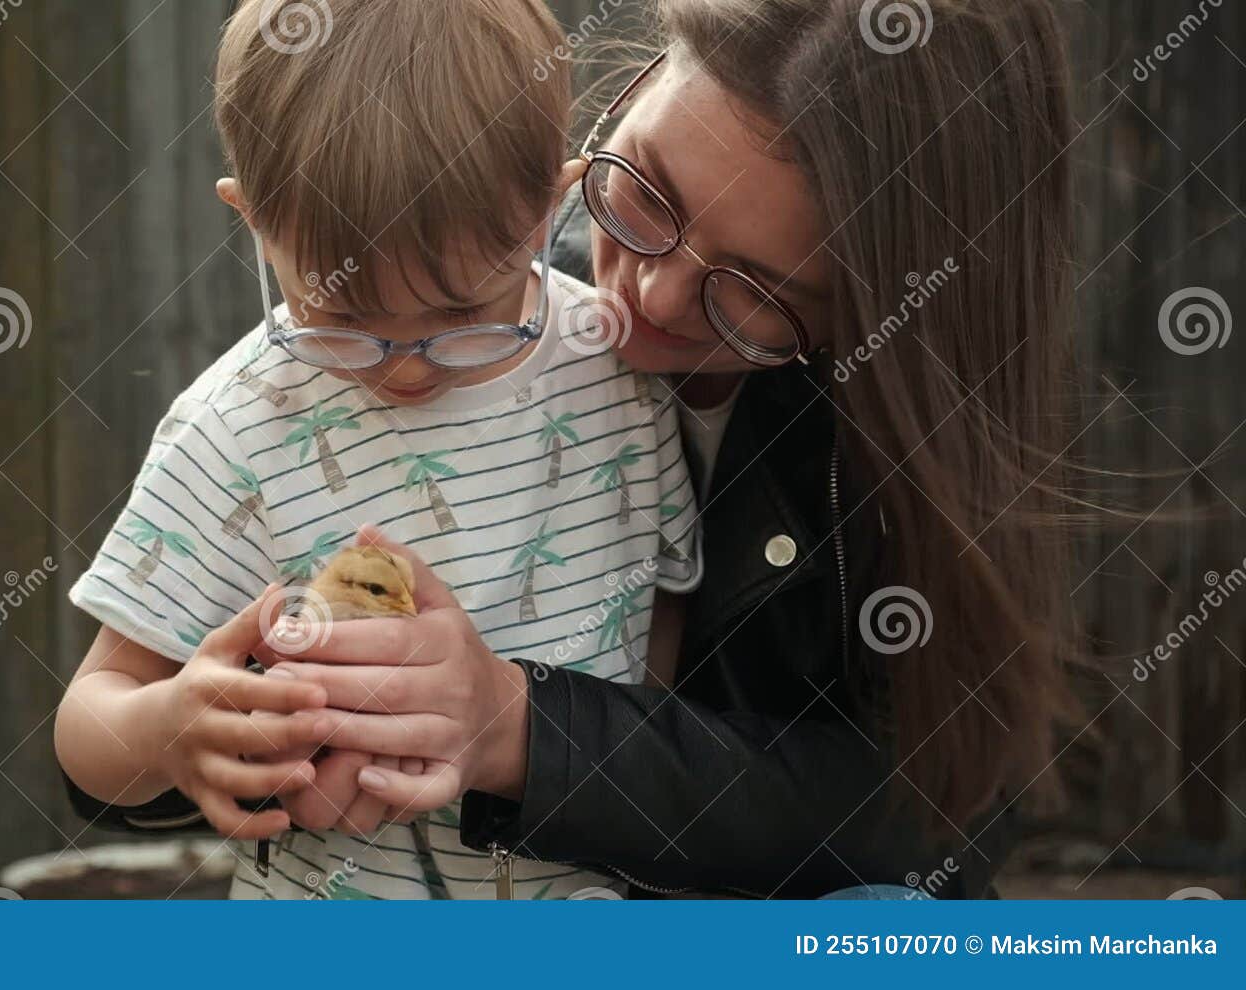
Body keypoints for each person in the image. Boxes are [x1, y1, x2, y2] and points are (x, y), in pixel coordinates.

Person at [63, 0, 1083, 899]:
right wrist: (238, 727)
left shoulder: (800, 431)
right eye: (645, 194)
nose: (644, 297)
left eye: (757, 291)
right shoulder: (368, 326)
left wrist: (520, 731)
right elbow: (114, 740)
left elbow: (936, 820)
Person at [52, 0, 701, 900]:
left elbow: (661, 623)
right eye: (345, 321)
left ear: (549, 204)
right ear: (253, 222)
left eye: (460, 316)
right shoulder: (240, 427)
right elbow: (92, 724)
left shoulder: (615, 366)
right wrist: (173, 731)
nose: (404, 371)